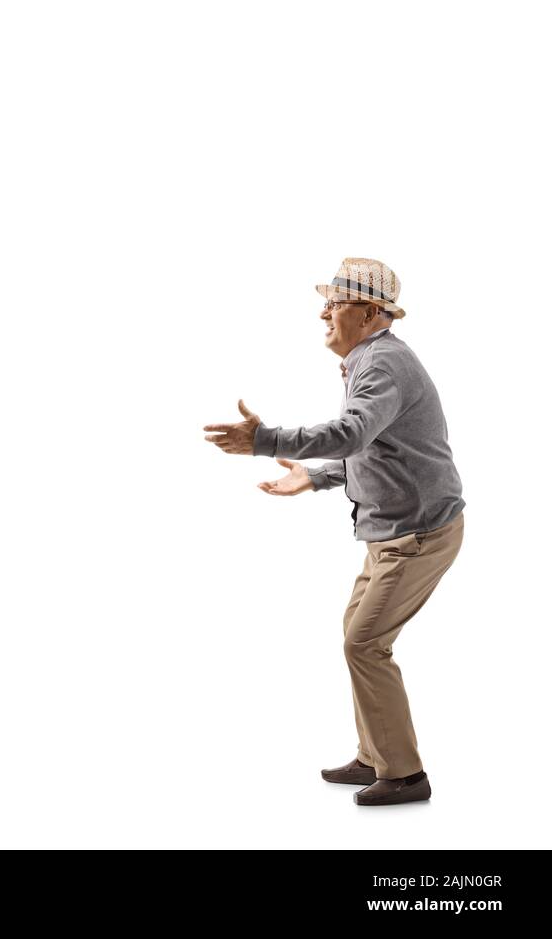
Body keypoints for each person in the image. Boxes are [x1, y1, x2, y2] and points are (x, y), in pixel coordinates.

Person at [202, 258, 465, 806]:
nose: (324, 310)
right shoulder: (368, 359)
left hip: (417, 534)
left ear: (370, 312)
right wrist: (316, 477)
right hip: (391, 531)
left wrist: (265, 440)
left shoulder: (383, 363)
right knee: (358, 636)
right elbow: (381, 450)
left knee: (363, 644)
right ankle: (376, 755)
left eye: (337, 301)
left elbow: (351, 433)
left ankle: (406, 775)